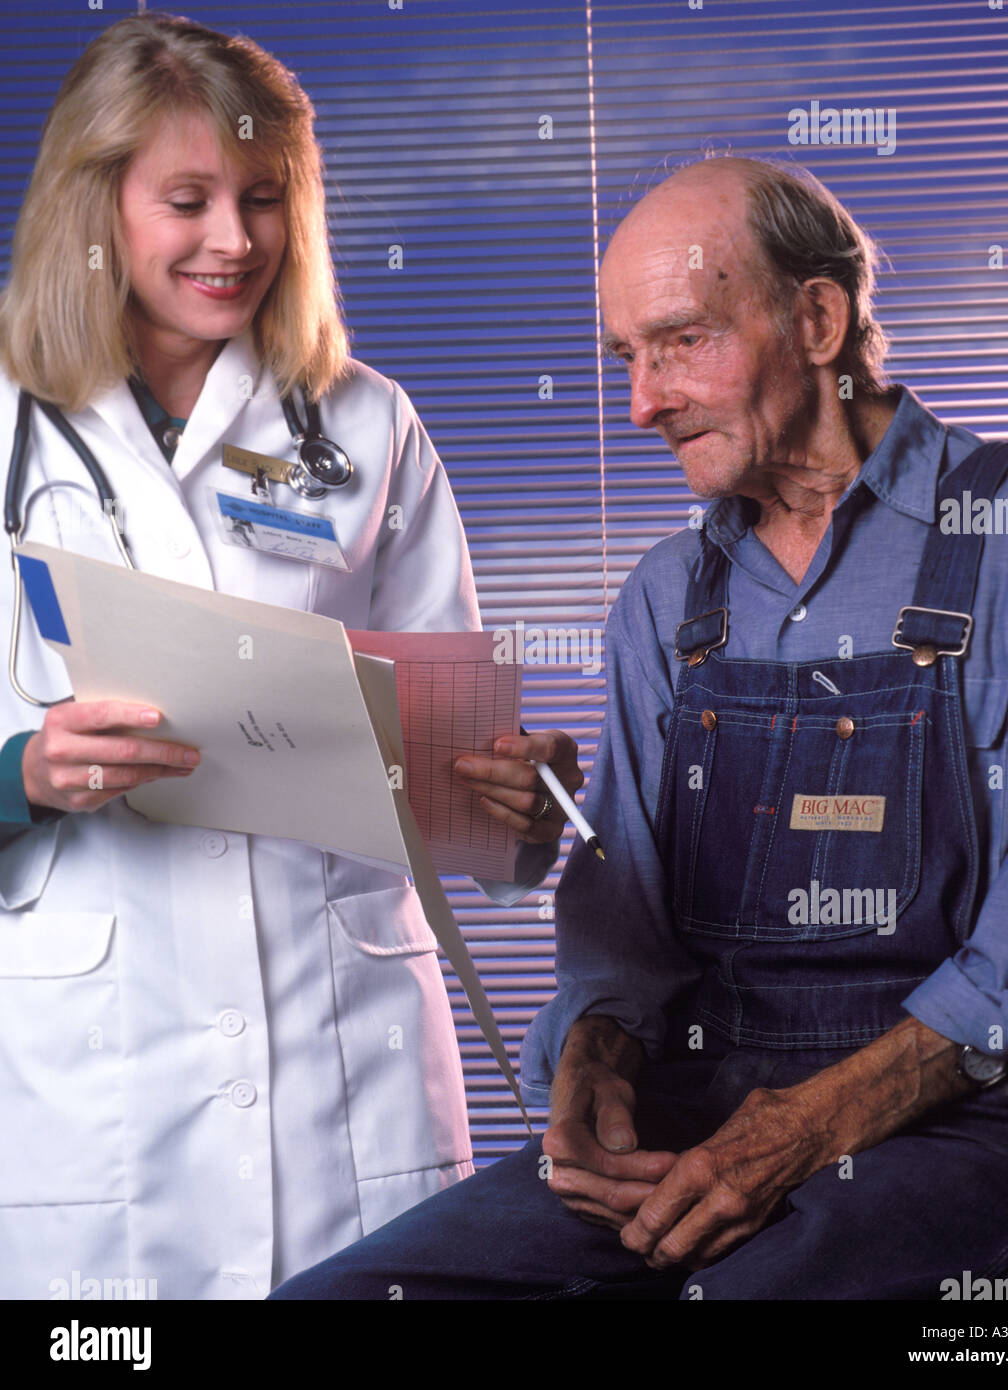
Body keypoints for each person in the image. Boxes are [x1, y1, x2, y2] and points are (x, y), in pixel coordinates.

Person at [271, 155, 1008, 1300]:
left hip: (967, 1121)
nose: (641, 403)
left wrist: (810, 1126)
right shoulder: (668, 598)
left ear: (817, 319)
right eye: (626, 359)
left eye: (680, 343)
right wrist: (597, 1058)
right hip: (697, 1117)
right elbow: (631, 926)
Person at [0, 13, 582, 1300]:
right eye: (189, 198)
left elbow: (463, 789)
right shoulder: (7, 428)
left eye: (265, 199)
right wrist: (24, 773)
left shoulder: (365, 426)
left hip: (346, 1070)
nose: (235, 240)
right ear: (93, 203)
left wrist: (512, 799)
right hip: (95, 1080)